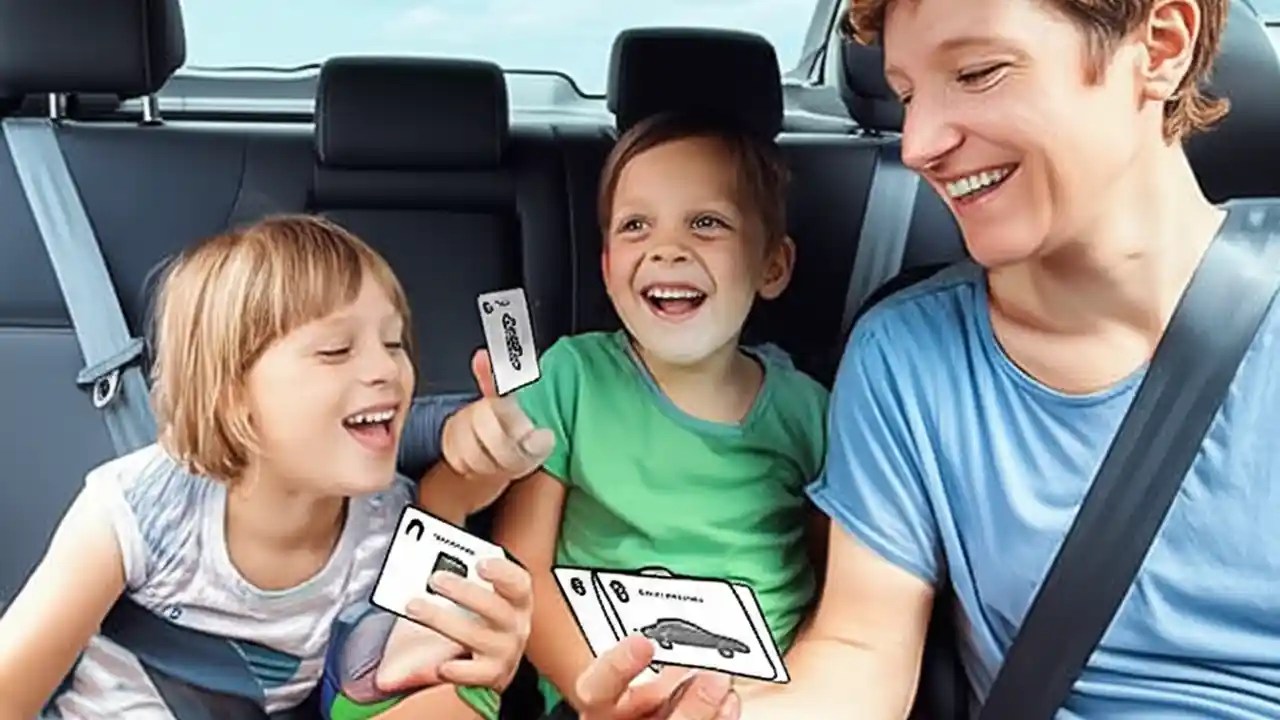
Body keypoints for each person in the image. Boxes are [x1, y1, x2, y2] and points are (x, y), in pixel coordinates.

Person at [545, 0, 1280, 717]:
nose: (917, 142)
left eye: (979, 71)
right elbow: (860, 657)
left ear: (1160, 44)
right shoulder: (908, 357)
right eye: (905, 95)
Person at [0, 215, 532, 719]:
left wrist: (471, 672)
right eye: (335, 349)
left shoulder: (384, 526)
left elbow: (448, 509)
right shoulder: (135, 512)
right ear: (233, 396)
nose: (386, 369)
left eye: (394, 343)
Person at [435, 111, 831, 717]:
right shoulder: (572, 378)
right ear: (607, 269)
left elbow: (835, 586)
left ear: (772, 266)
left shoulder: (809, 411)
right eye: (635, 226)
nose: (666, 249)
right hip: (596, 689)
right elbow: (525, 566)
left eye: (706, 223)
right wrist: (596, 694)